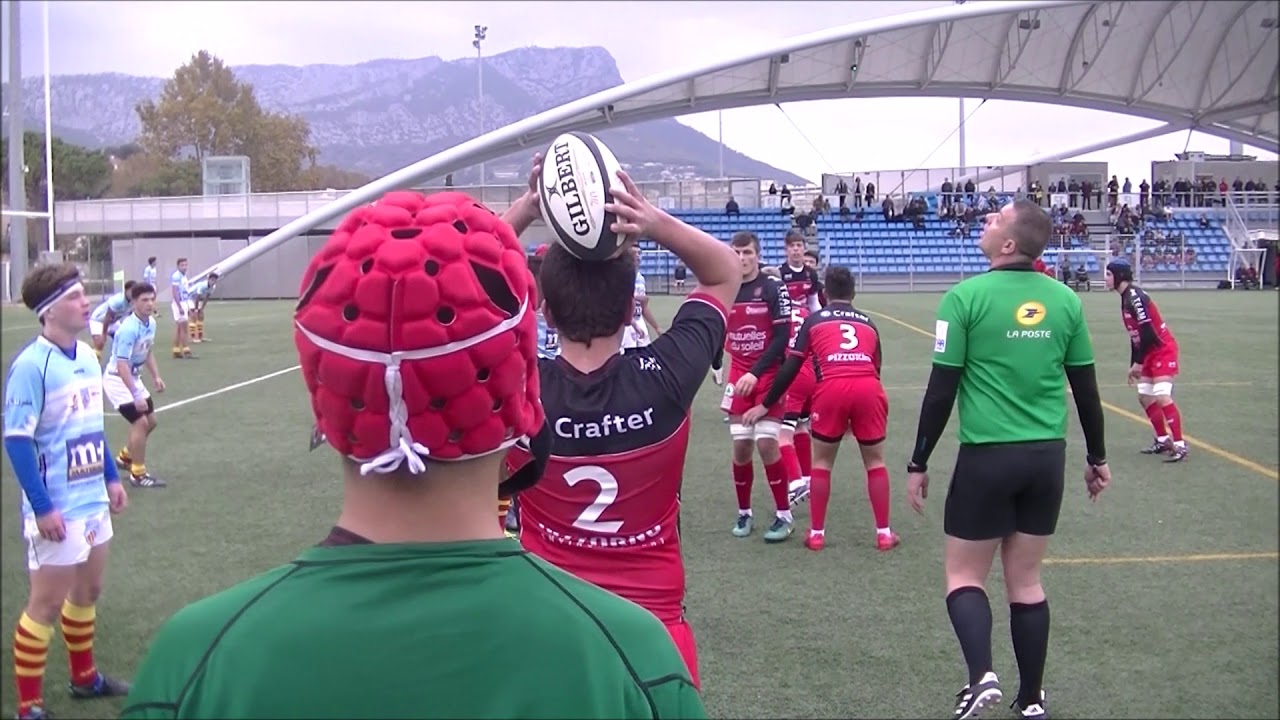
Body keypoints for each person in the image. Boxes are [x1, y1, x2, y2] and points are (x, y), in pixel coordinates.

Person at [121, 188, 705, 719]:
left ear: (323, 401)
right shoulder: (634, 661)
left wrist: (520, 213)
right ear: (526, 395)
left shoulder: (193, 664)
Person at [508, 166, 739, 689]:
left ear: (544, 311)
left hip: (551, 626)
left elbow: (461, 290)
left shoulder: (518, 386)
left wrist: (526, 208)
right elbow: (725, 272)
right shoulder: (669, 374)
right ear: (630, 308)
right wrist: (652, 222)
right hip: (654, 633)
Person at [905, 199, 1110, 720]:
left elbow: (939, 391)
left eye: (994, 220)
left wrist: (918, 461)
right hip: (1047, 460)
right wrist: (1098, 457)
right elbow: (1086, 389)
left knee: (963, 576)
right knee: (1026, 581)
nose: (985, 223)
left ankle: (980, 677)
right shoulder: (1065, 301)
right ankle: (1033, 698)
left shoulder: (964, 298)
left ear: (1010, 244)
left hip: (987, 459)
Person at [5, 263, 131, 720]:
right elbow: (17, 440)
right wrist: (42, 507)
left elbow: (92, 426)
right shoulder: (30, 368)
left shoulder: (84, 355)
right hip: (57, 507)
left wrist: (112, 478)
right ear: (50, 309)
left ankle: (84, 679)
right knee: (45, 603)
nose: (86, 301)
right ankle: (29, 706)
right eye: (76, 295)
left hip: (92, 500)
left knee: (89, 591)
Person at [743, 265, 899, 553]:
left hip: (831, 388)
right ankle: (884, 533)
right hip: (869, 388)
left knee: (822, 464)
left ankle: (816, 534)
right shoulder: (868, 322)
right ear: (854, 292)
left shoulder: (814, 320)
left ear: (824, 293)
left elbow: (792, 365)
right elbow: (877, 367)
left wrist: (766, 403)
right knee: (875, 462)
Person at [714, 231, 795, 542]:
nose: (742, 258)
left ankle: (784, 515)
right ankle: (745, 512)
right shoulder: (726, 288)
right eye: (736, 252)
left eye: (747, 252)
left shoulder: (773, 288)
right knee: (741, 446)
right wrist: (717, 363)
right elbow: (717, 328)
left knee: (766, 443)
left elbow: (782, 339)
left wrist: (756, 373)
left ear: (758, 255)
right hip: (739, 376)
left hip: (769, 374)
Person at [1104, 259, 1187, 462]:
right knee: (1144, 395)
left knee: (1161, 394)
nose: (1105, 279)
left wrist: (1139, 363)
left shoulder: (1134, 296)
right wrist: (1134, 363)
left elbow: (1148, 332)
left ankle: (1180, 444)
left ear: (1119, 276)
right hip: (1148, 351)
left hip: (1161, 348)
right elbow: (1136, 336)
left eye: (1108, 274)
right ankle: (1162, 439)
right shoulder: (1125, 298)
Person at [104, 283, 167, 488]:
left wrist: (156, 376)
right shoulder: (128, 329)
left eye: (151, 299)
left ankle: (124, 458)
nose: (149, 303)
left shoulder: (151, 324)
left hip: (132, 377)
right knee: (140, 423)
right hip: (117, 379)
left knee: (152, 421)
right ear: (133, 303)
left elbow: (147, 351)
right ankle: (137, 474)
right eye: (144, 300)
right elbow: (121, 364)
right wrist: (135, 394)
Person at [777, 231, 824, 503]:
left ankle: (802, 479)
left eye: (799, 246)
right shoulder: (778, 275)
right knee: (800, 423)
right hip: (787, 337)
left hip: (800, 343)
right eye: (792, 246)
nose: (796, 250)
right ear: (786, 249)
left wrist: (817, 329)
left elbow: (814, 304)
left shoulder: (811, 276)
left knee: (795, 422)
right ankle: (804, 478)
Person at [621, 244, 662, 350]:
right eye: (634, 253)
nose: (638, 256)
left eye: (639, 253)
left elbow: (644, 307)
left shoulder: (640, 278)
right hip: (626, 323)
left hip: (638, 319)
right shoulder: (621, 277)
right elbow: (621, 303)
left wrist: (656, 327)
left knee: (644, 355)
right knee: (629, 356)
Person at [88, 280, 135, 355]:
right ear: (126, 290)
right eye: (132, 291)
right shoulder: (118, 300)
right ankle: (90, 358)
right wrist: (104, 334)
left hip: (113, 322)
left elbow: (131, 315)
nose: (133, 293)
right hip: (98, 321)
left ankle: (121, 363)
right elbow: (108, 316)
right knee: (99, 345)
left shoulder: (134, 301)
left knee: (125, 340)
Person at [168, 258, 192, 358]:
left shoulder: (183, 276)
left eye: (186, 265)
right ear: (178, 266)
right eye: (182, 265)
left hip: (184, 302)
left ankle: (176, 350)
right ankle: (186, 350)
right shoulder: (176, 276)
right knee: (184, 328)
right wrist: (179, 306)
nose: (184, 267)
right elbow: (175, 291)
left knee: (179, 328)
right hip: (179, 303)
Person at [187, 272, 218, 344]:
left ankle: (201, 337)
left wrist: (202, 309)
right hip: (189, 298)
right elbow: (197, 297)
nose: (213, 282)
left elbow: (207, 297)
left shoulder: (213, 287)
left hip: (195, 299)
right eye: (212, 280)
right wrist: (196, 309)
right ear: (208, 279)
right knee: (193, 316)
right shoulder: (203, 285)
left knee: (201, 316)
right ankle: (193, 337)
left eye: (215, 280)